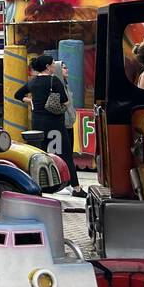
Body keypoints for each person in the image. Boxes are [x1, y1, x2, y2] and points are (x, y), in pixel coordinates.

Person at [14, 54, 73, 190]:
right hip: (54, 123)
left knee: (41, 153)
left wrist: (31, 101)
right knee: (64, 154)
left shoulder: (33, 82)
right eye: (52, 64)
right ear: (47, 67)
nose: (54, 66)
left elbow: (17, 95)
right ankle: (73, 186)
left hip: (37, 123)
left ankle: (42, 185)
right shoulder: (55, 81)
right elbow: (65, 101)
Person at [56, 60, 84, 198]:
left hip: (68, 123)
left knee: (68, 155)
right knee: (66, 156)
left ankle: (68, 183)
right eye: (63, 68)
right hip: (62, 125)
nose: (67, 70)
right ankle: (76, 187)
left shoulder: (66, 86)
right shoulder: (57, 86)